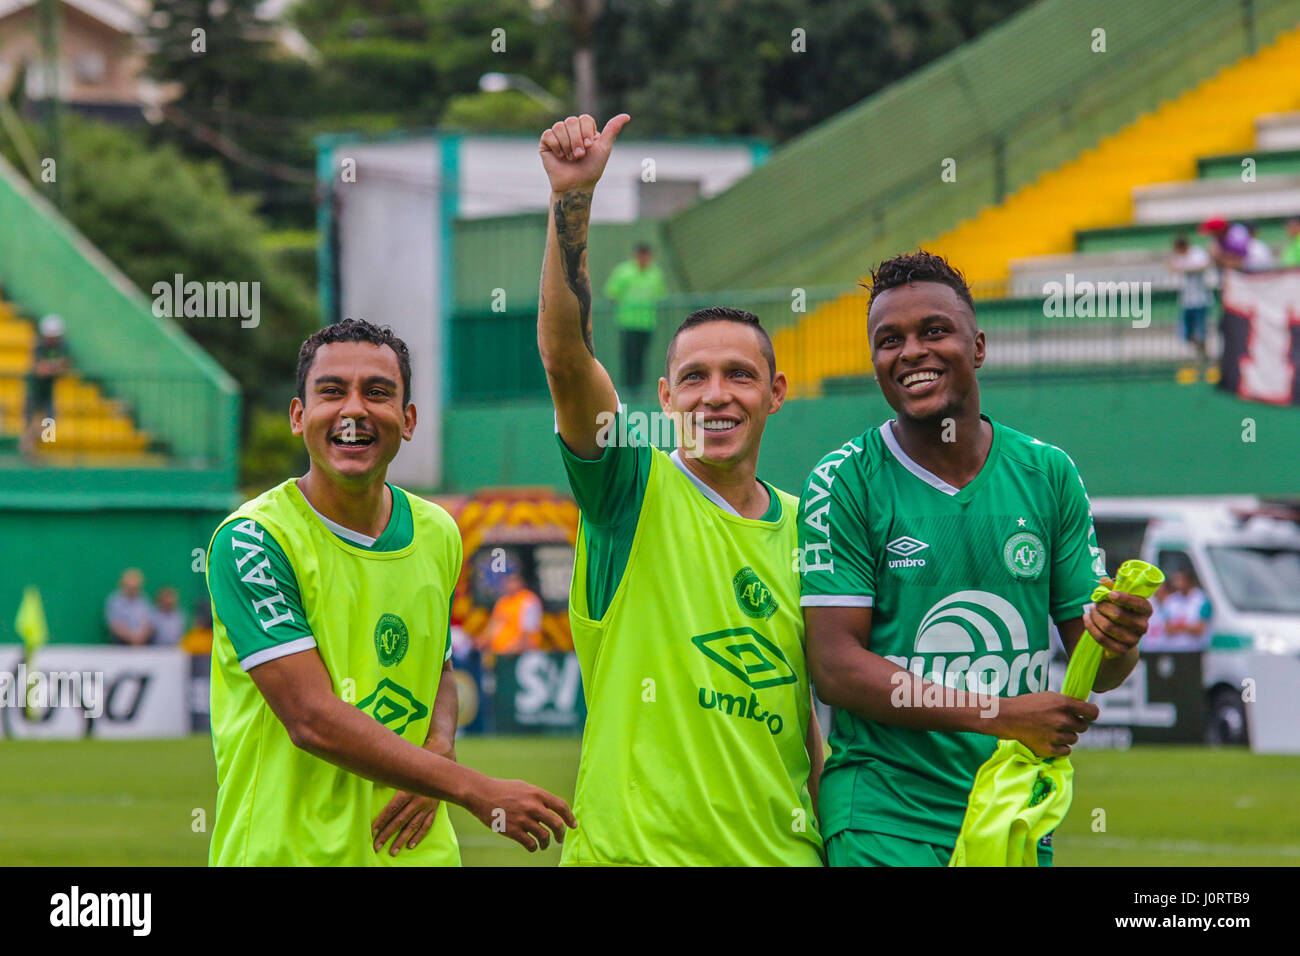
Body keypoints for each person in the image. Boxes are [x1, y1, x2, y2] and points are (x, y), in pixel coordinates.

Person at [798, 251, 1153, 868]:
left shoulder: (1047, 473)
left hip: (1011, 810)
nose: (910, 352)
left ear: (979, 347)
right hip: (885, 819)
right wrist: (999, 715)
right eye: (889, 341)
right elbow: (836, 669)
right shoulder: (843, 481)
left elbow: (1102, 667)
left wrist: (1118, 637)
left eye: (934, 331)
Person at [537, 112, 824, 866]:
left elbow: (809, 722)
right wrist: (573, 202)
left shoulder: (813, 530)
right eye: (694, 377)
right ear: (664, 399)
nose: (715, 396)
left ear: (777, 393)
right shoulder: (628, 487)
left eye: (740, 376)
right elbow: (567, 361)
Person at [205, 317, 574, 866]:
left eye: (378, 393)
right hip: (289, 854)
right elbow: (310, 718)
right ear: (298, 415)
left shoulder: (439, 532)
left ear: (408, 420)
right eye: (332, 392)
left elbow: (440, 669)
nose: (354, 409)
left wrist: (442, 744)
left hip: (419, 856)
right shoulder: (254, 540)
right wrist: (471, 787)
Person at [603, 241, 668, 391]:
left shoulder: (655, 273)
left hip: (647, 323)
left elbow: (661, 295)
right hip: (627, 323)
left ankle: (639, 389)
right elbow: (612, 294)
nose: (643, 258)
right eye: (641, 254)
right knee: (628, 357)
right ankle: (628, 389)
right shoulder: (623, 271)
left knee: (642, 357)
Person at [22, 314, 69, 454]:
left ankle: (32, 445)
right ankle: (28, 447)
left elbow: (65, 365)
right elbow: (40, 370)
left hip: (48, 391)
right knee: (30, 421)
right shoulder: (39, 347)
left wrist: (50, 367)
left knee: (50, 425)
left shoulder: (62, 347)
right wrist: (54, 367)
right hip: (34, 390)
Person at [1169, 235, 1212, 368]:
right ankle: (1201, 353)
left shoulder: (1197, 253)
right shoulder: (1178, 256)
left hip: (1200, 300)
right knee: (1187, 333)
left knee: (1200, 330)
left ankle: (1203, 356)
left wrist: (1186, 269)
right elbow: (1171, 266)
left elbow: (1204, 265)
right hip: (1186, 301)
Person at [482, 572, 544, 655]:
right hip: (500, 654)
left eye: (512, 581)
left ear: (520, 582)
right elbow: (494, 627)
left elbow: (529, 631)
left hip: (521, 654)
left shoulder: (528, 600)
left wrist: (515, 648)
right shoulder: (502, 602)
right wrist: (484, 642)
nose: (509, 585)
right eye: (507, 582)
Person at [1156, 569, 1212, 652]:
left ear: (1188, 581)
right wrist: (1189, 627)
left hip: (1195, 651)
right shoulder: (1171, 600)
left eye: (1179, 580)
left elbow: (1200, 629)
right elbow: (1168, 629)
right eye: (1175, 580)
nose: (1176, 583)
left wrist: (1178, 626)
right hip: (1173, 651)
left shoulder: (1203, 600)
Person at [105, 568, 154, 646]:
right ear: (123, 585)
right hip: (120, 643)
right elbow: (114, 625)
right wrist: (131, 638)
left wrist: (140, 638)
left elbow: (148, 623)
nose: (132, 590)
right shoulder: (115, 601)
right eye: (129, 587)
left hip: (142, 644)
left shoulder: (144, 601)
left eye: (135, 587)